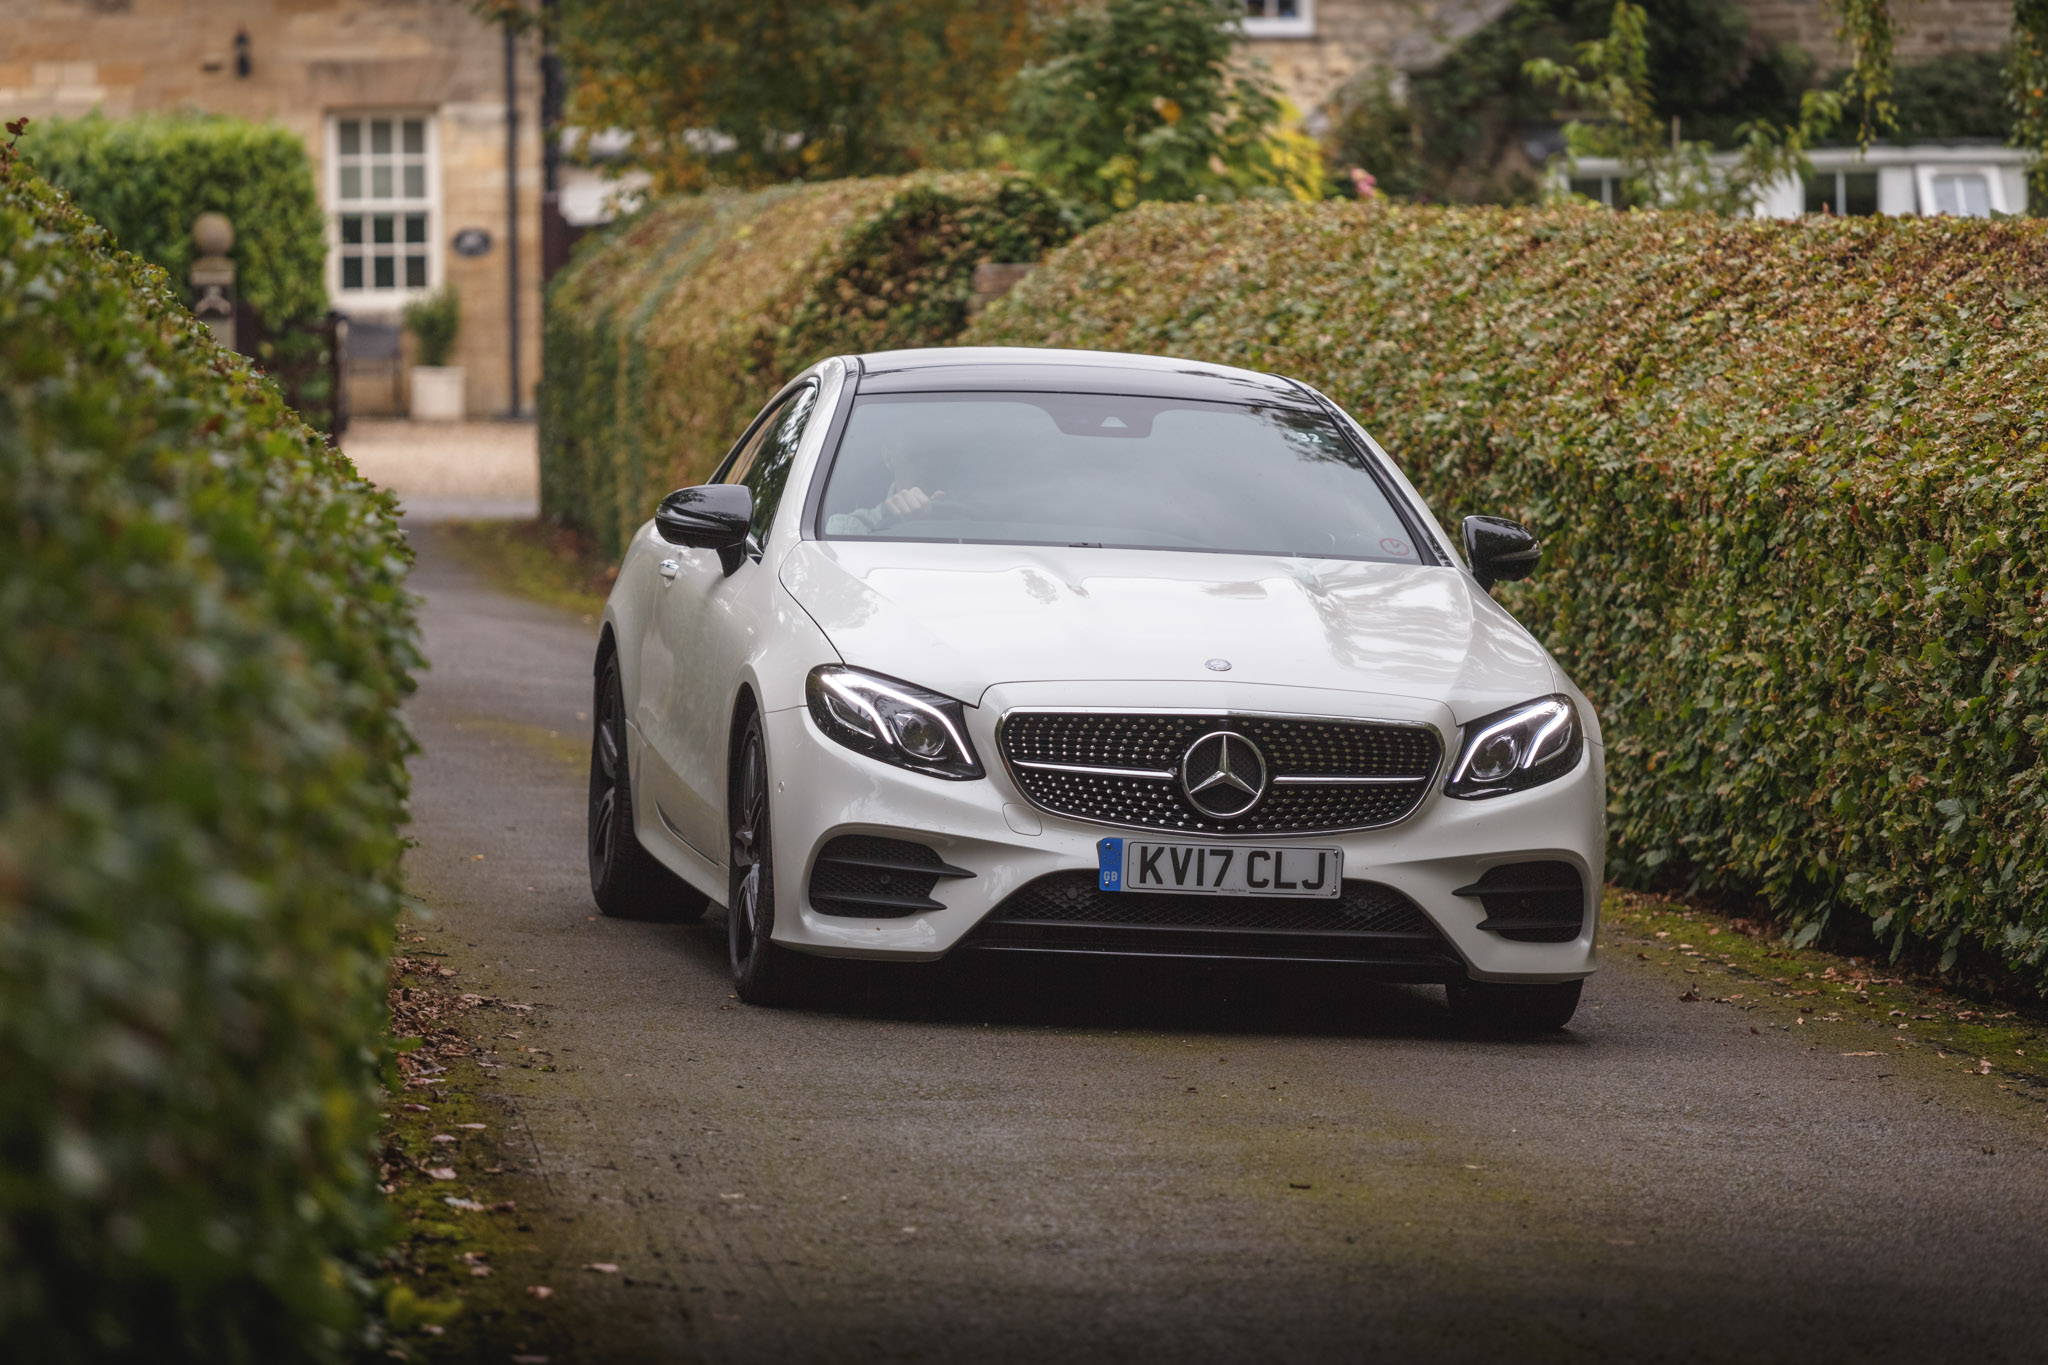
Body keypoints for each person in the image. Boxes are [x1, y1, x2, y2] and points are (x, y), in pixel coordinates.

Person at [824, 439, 950, 535]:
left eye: (935, 453)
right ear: (889, 458)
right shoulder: (851, 527)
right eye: (914, 452)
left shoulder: (969, 519)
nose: (926, 462)